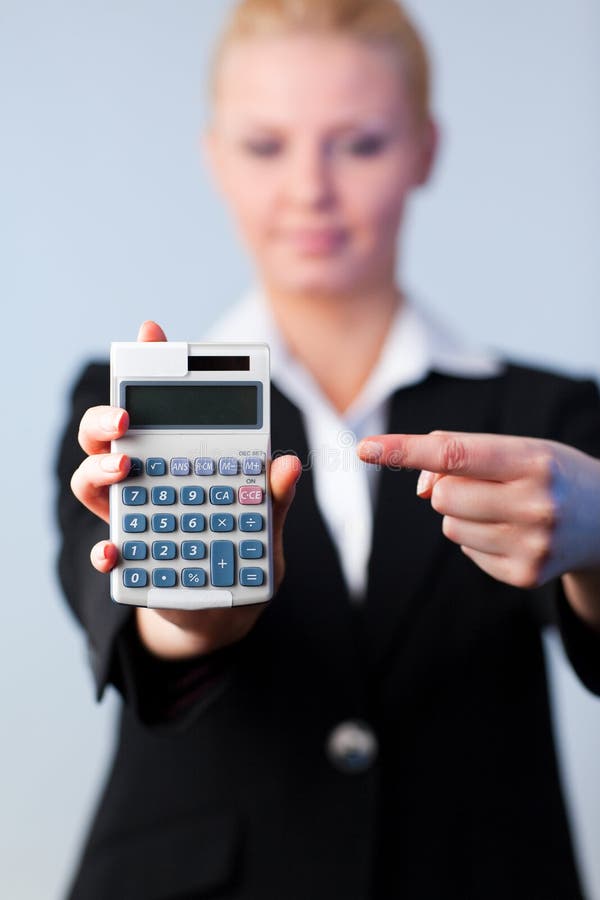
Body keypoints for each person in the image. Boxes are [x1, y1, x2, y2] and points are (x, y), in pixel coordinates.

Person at [56, 0, 600, 897]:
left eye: (360, 143)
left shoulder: (548, 416)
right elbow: (124, 629)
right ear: (214, 158)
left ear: (426, 150)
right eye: (267, 146)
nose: (309, 187)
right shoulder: (119, 403)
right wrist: (190, 611)